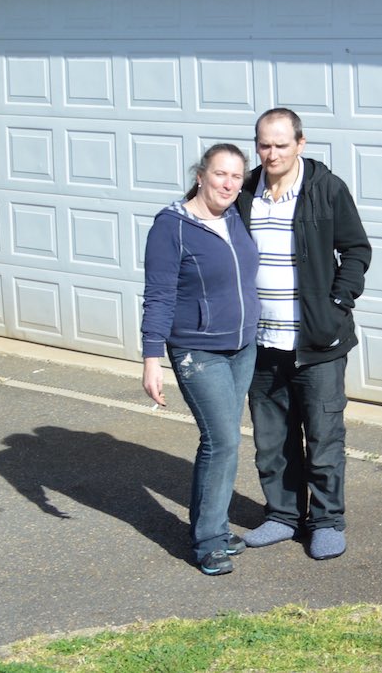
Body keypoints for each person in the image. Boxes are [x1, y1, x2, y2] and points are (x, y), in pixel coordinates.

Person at [237, 108, 372, 560]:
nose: (271, 153)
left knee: (323, 437)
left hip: (317, 343)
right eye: (263, 145)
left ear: (300, 143)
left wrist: (337, 304)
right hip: (260, 344)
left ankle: (328, 521)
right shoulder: (243, 192)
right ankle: (282, 516)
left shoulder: (326, 190)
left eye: (280, 144)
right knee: (271, 440)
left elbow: (355, 249)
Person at [139, 141, 259, 576]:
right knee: (222, 440)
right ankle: (207, 539)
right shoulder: (171, 227)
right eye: (220, 174)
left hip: (242, 346)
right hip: (197, 349)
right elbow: (159, 295)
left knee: (225, 442)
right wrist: (153, 358)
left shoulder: (235, 216)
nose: (228, 183)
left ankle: (213, 524)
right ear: (200, 175)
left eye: (236, 176)